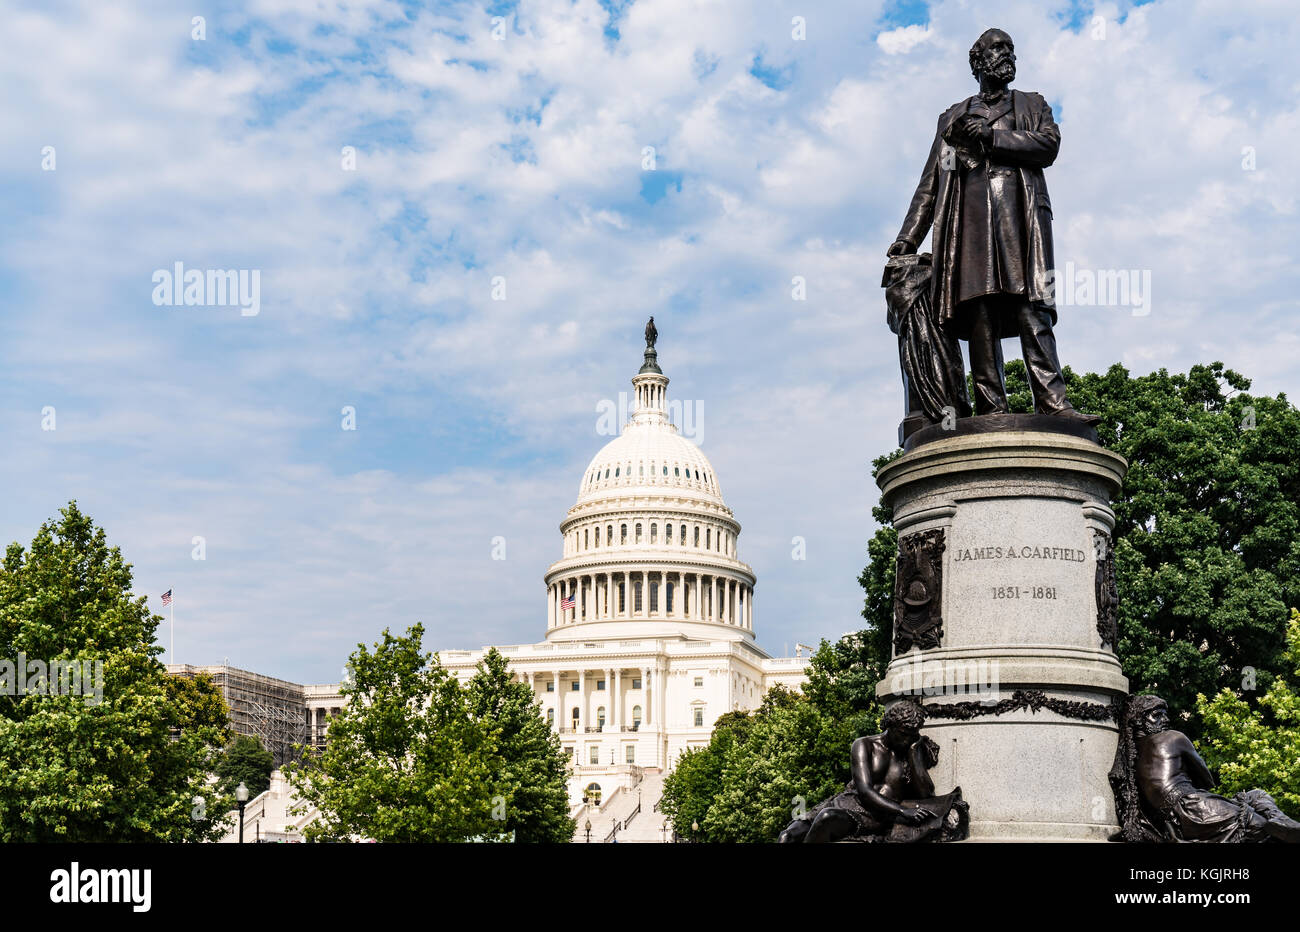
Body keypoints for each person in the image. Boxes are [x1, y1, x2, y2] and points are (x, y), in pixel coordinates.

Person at [888, 28, 1098, 425]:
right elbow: (931, 181)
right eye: (999, 48)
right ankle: (991, 409)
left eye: (1011, 49)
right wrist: (907, 237)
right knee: (979, 312)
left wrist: (992, 137)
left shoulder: (1033, 104)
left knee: (1033, 308)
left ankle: (1054, 404)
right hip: (968, 225)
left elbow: (1047, 146)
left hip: (1020, 218)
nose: (1008, 56)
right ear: (977, 61)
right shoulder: (952, 117)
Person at [1109, 694, 1300, 843]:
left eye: (1165, 714)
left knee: (1255, 799)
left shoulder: (1131, 756)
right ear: (1139, 720)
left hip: (1173, 820)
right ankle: (1282, 823)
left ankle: (1282, 822)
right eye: (1157, 715)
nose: (1165, 720)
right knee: (1258, 822)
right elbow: (1206, 780)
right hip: (1192, 806)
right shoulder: (1174, 737)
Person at [777, 700, 967, 843]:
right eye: (903, 734)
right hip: (846, 802)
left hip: (873, 816)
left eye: (912, 734)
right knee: (786, 836)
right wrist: (902, 810)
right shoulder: (864, 745)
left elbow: (927, 794)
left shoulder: (913, 749)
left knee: (827, 818)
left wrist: (914, 756)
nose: (907, 739)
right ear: (889, 726)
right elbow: (865, 791)